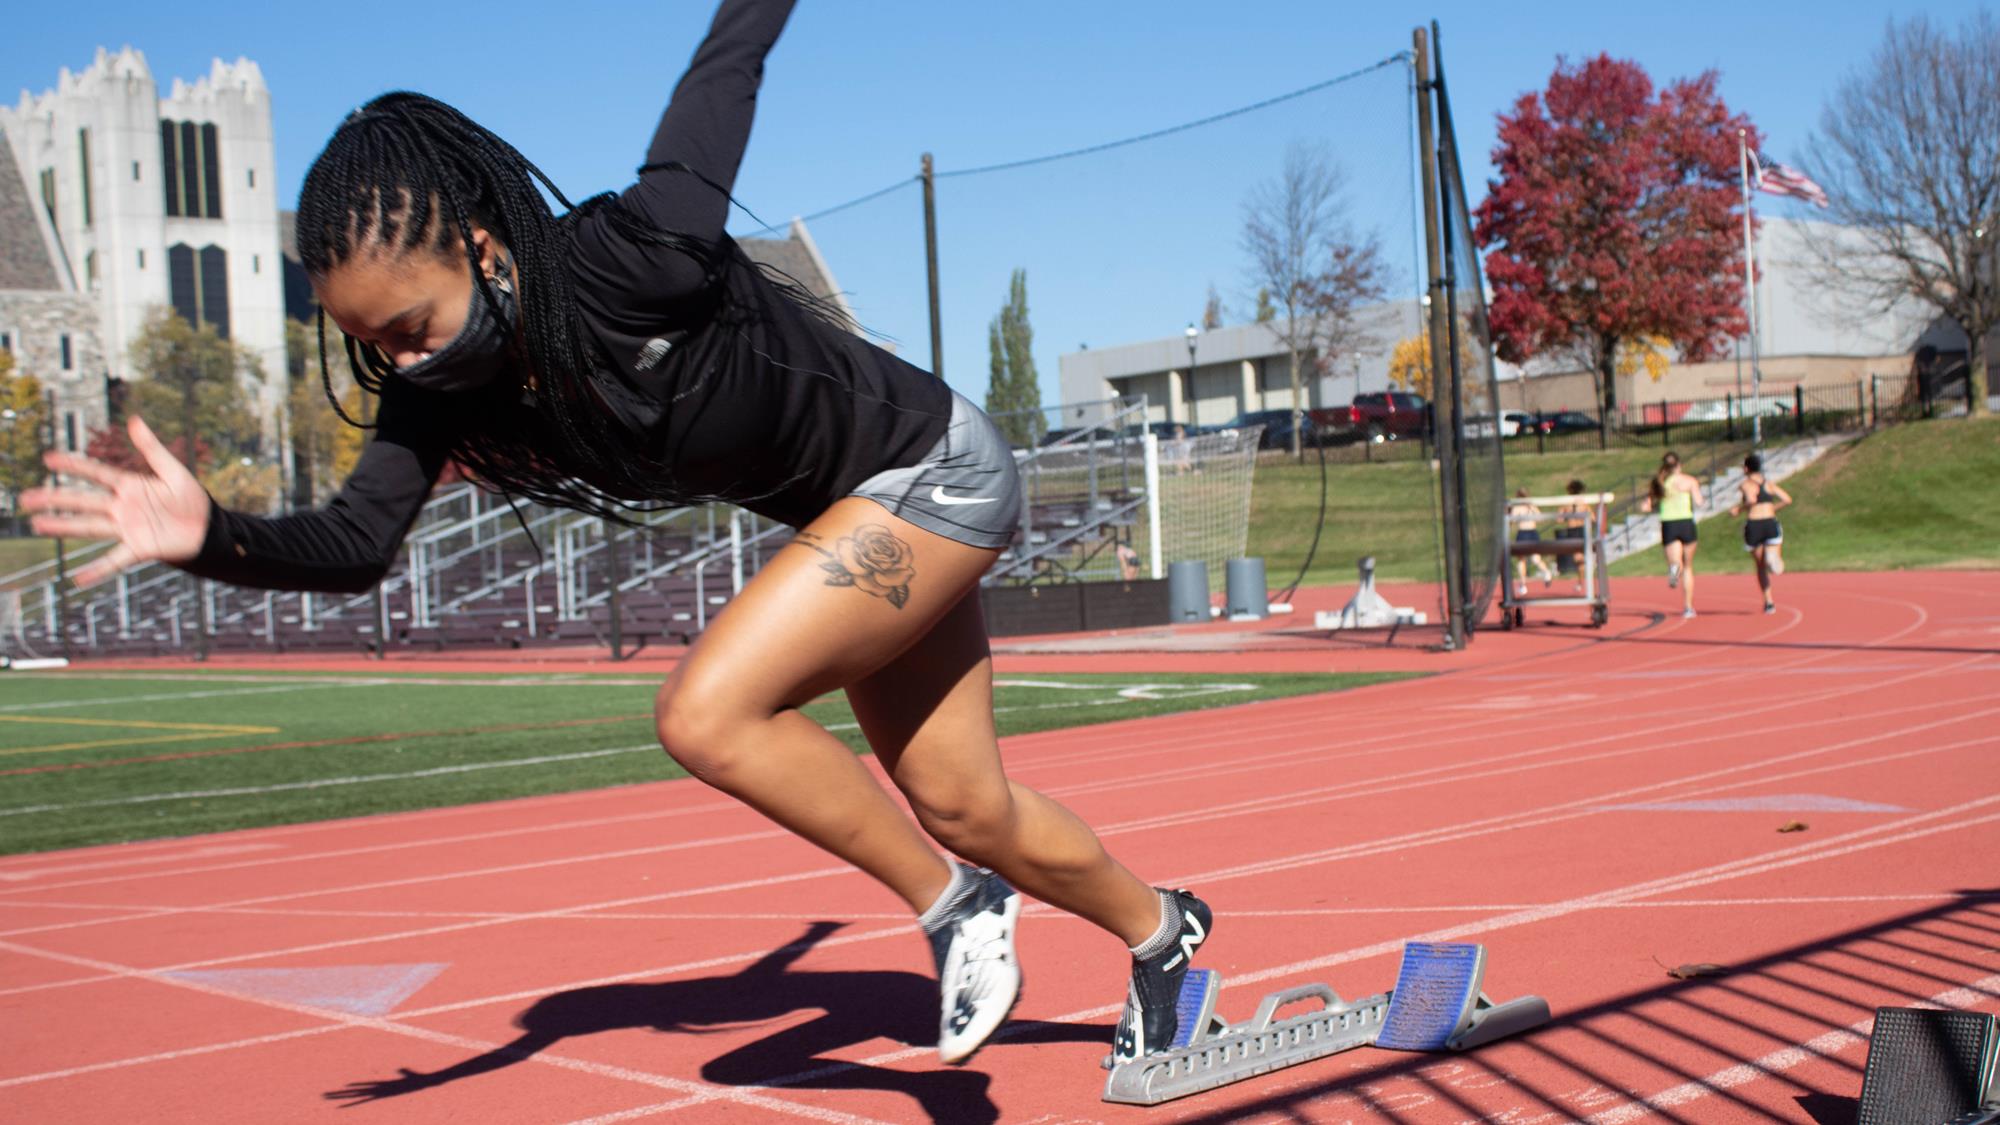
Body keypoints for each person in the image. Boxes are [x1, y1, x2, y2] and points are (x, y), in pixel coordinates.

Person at [21, 0, 1209, 1068]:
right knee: (967, 806)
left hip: (935, 472)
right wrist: (208, 535)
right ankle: (1165, 935)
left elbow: (728, 58)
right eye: (374, 345)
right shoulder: (442, 392)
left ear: (484, 250)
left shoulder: (634, 254)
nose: (403, 360)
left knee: (704, 712)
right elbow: (359, 543)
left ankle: (954, 908)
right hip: (857, 520)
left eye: (412, 325)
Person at [1639, 451, 1702, 619]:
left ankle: (1674, 569)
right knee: (1688, 566)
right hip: (1686, 522)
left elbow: (1646, 505)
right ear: (1680, 464)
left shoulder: (1659, 482)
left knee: (1676, 561)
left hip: (1669, 523)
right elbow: (1699, 501)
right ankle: (1688, 607)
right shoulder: (1689, 481)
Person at [1730, 452, 1792, 614]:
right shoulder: (1769, 484)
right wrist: (1772, 508)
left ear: (1746, 468)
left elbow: (1751, 500)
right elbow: (1787, 499)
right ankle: (1774, 560)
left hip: (1754, 524)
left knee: (1760, 566)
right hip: (1770, 522)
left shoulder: (1745, 484)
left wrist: (1738, 509)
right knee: (1771, 556)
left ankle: (1769, 602)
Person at [1508, 487, 1555, 596]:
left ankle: (1523, 585)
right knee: (1535, 558)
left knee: (1521, 560)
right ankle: (1546, 573)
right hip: (1533, 533)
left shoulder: (1518, 507)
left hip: (1523, 534)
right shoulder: (1532, 506)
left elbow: (1512, 520)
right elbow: (1540, 518)